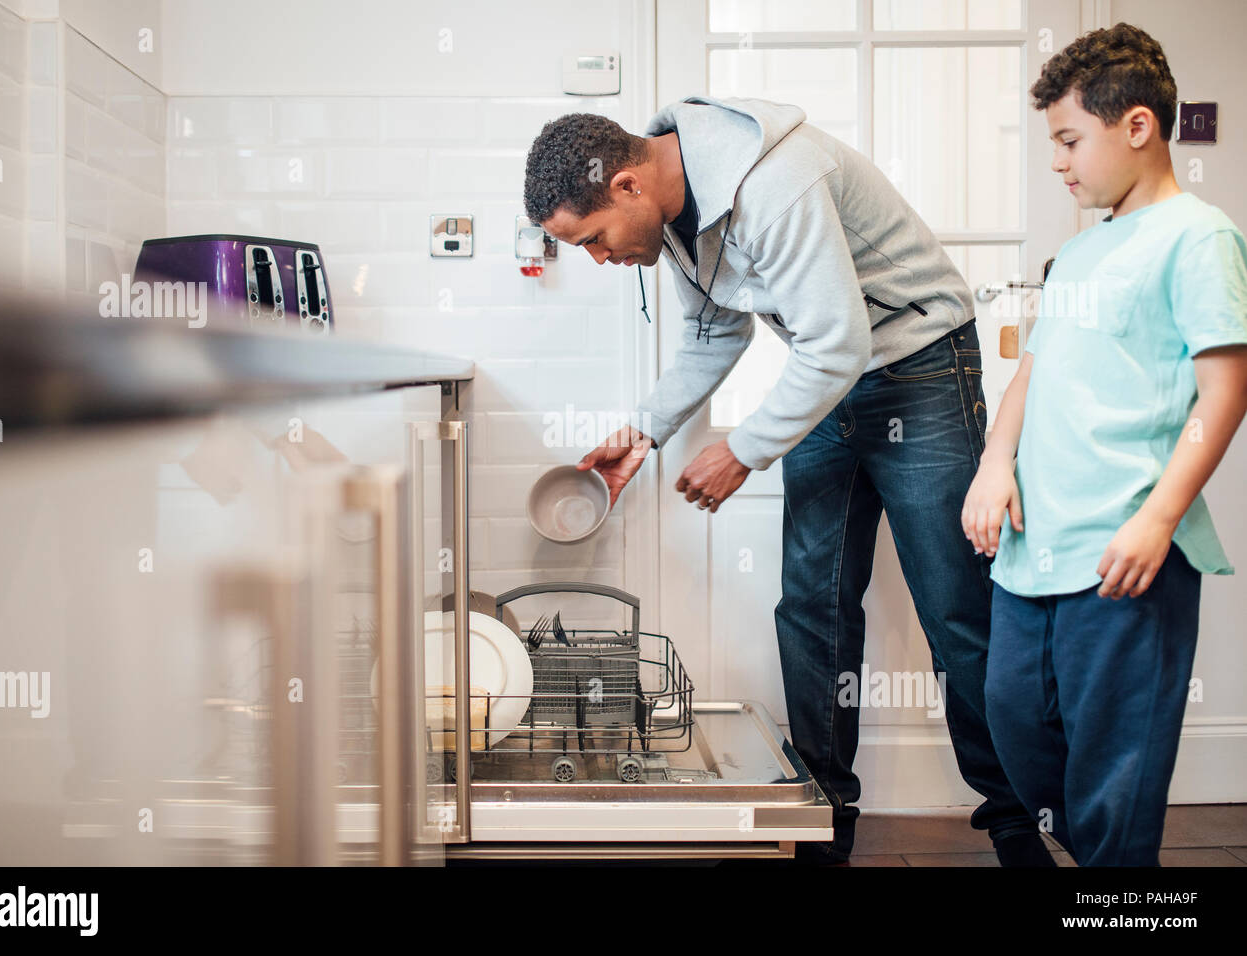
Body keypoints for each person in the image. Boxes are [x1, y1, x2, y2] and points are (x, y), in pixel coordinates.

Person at [524, 97, 1053, 865]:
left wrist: (744, 448)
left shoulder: (775, 181)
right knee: (811, 606)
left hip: (921, 367)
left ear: (630, 185)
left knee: (956, 607)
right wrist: (644, 431)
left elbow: (838, 342)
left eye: (595, 239)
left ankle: (1013, 819)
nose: (601, 260)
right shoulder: (673, 216)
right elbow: (716, 330)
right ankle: (825, 817)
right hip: (828, 380)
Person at [964, 23, 1247, 866]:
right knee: (1014, 723)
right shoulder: (1081, 252)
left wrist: (1160, 518)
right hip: (1032, 550)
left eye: (1068, 139)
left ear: (1137, 127)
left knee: (1114, 779)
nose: (1058, 162)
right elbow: (1032, 374)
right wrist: (993, 463)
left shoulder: (1199, 236)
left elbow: (1224, 395)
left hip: (1127, 554)